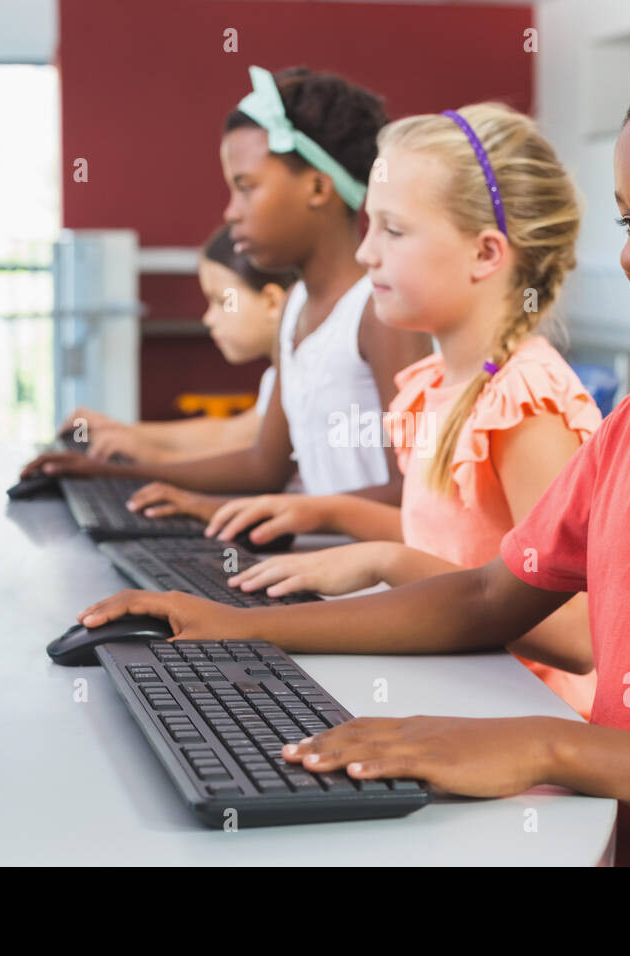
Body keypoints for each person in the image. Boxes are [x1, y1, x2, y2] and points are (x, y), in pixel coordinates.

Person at [77, 46, 630, 866]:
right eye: (628, 221)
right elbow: (490, 595)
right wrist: (240, 629)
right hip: (613, 834)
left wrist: (548, 745)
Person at [195, 103, 600, 718]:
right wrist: (327, 514)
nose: (366, 254)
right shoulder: (438, 383)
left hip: (526, 721)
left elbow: (577, 634)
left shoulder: (526, 406)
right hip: (459, 690)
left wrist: (386, 561)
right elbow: (454, 544)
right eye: (369, 227)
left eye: (394, 230)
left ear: (486, 254)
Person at [20, 65, 432, 517]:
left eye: (246, 188)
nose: (231, 212)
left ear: (318, 187)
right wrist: (111, 474)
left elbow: (413, 490)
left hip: (368, 583)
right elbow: (262, 466)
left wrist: (258, 509)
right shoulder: (295, 308)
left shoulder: (377, 311)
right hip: (321, 567)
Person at [58, 224, 294, 468]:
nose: (208, 318)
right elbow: (229, 434)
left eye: (223, 301)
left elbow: (250, 458)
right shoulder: (278, 376)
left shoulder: (301, 377)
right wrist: (122, 431)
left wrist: (152, 458)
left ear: (272, 303)